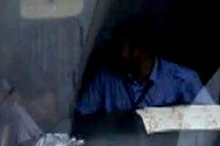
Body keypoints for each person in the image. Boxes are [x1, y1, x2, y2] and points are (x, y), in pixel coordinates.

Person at [76, 20, 212, 116]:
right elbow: (80, 116)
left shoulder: (184, 81)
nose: (113, 51)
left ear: (137, 51)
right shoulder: (105, 78)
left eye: (119, 47)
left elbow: (211, 123)